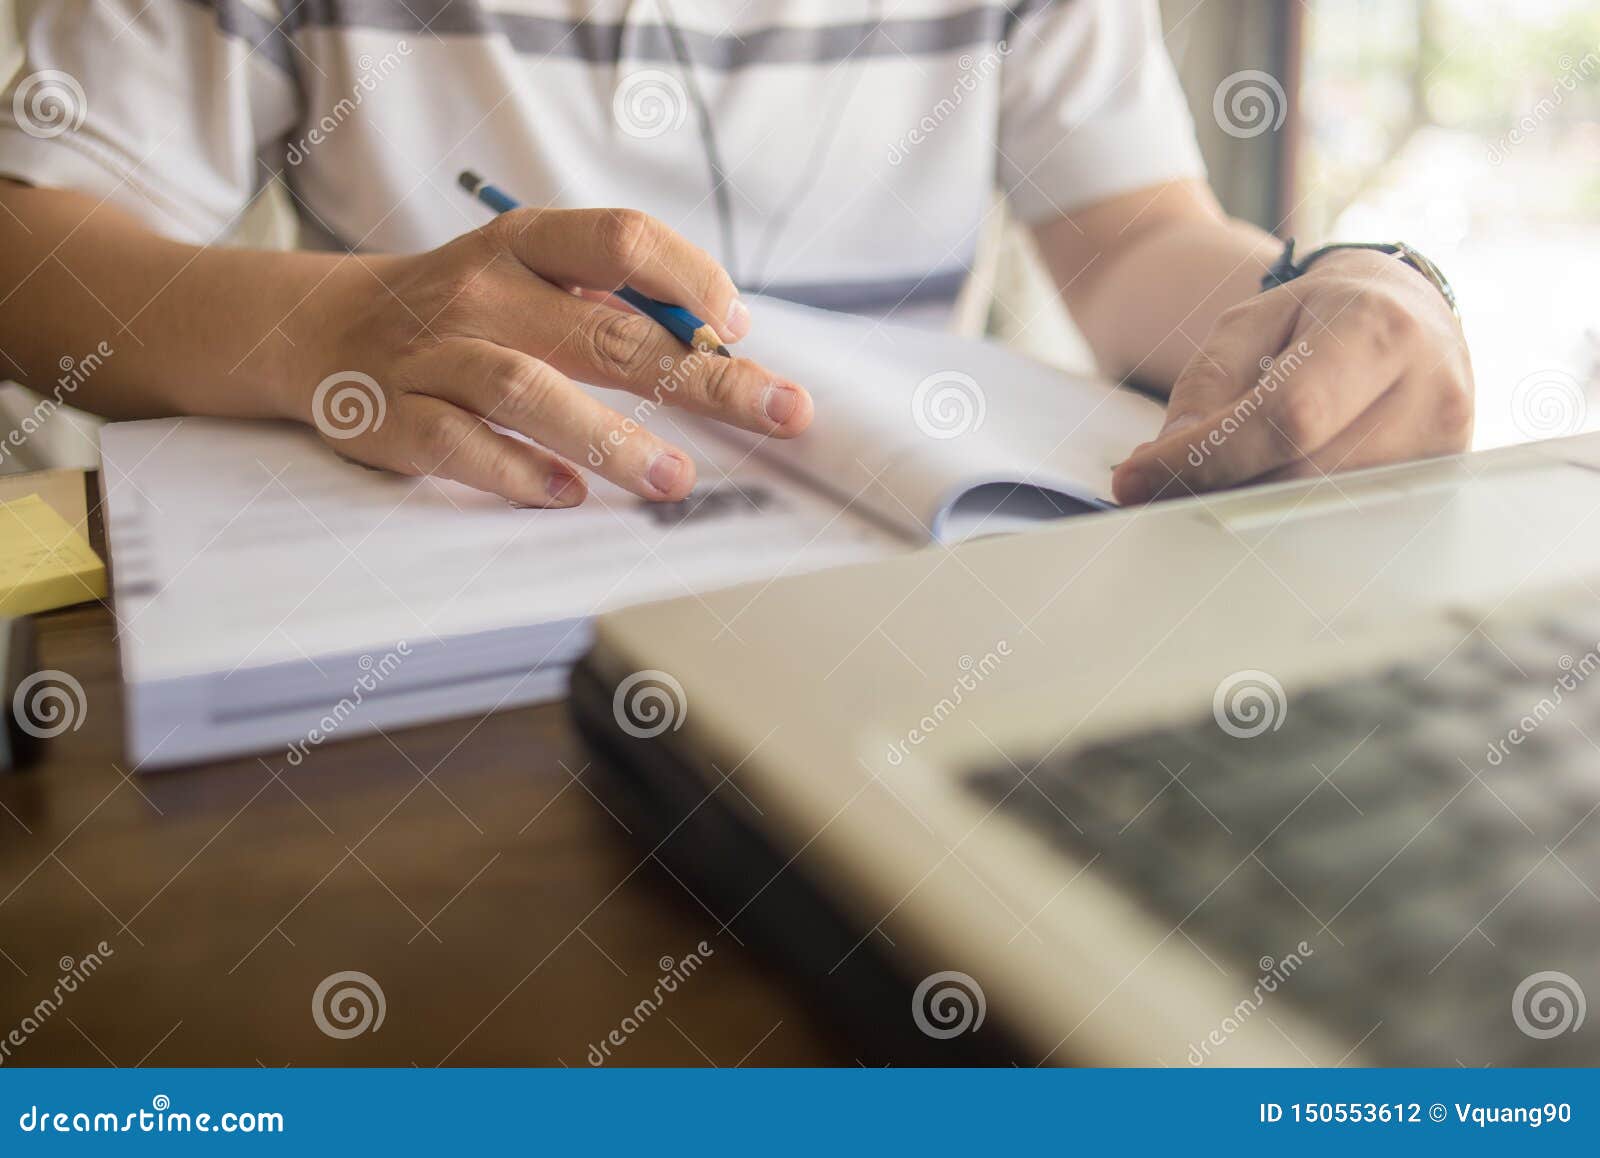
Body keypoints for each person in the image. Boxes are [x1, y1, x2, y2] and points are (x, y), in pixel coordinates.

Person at [0, 0, 1472, 509]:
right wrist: (329, 331)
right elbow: (29, 256)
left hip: (896, 614)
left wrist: (1336, 288)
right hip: (436, 611)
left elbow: (1136, 240)